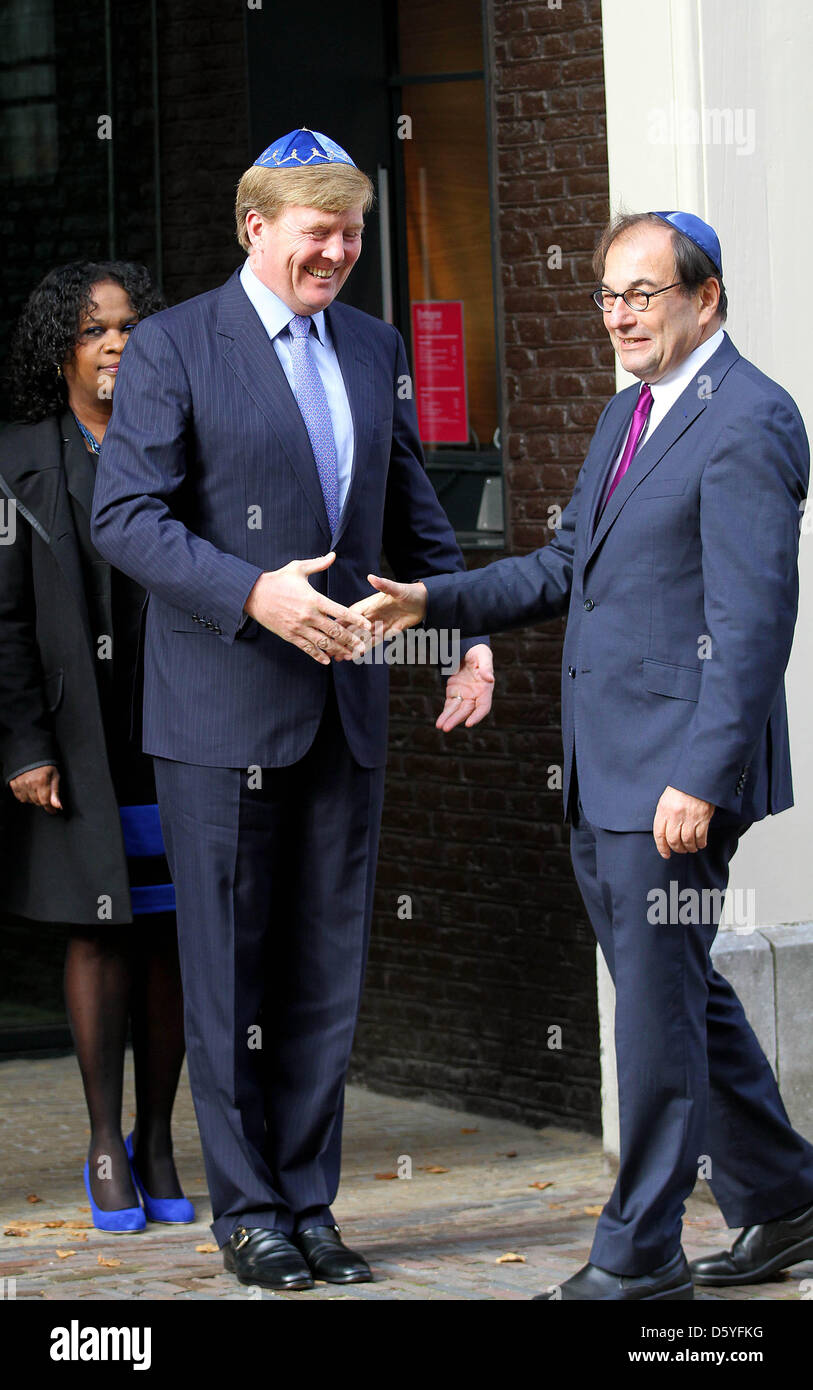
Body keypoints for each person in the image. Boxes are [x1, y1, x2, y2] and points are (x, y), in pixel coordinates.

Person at [354, 210, 813, 1301]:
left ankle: (639, 1249)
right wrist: (434, 596)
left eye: (643, 293)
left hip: (672, 778)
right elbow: (566, 565)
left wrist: (700, 777)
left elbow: (753, 629)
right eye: (608, 295)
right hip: (607, 769)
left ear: (707, 299)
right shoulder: (625, 416)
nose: (621, 315)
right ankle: (787, 1198)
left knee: (653, 1015)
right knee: (680, 993)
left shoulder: (750, 418)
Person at [91, 129, 493, 1290]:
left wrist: (463, 635)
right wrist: (251, 593)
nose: (340, 250)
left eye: (352, 230)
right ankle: (249, 1208)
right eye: (318, 229)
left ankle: (311, 1203)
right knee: (227, 970)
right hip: (220, 713)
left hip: (349, 710)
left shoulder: (371, 345)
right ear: (254, 227)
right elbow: (127, 516)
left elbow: (413, 512)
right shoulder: (173, 347)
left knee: (325, 968)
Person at [0, 262, 194, 1232]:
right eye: (93, 330)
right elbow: (0, 621)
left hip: (177, 730)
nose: (115, 344)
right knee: (100, 928)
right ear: (60, 349)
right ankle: (104, 1141)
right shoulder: (17, 460)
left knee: (171, 936)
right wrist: (25, 742)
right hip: (80, 738)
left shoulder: (179, 446)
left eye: (129, 327)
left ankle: (160, 1139)